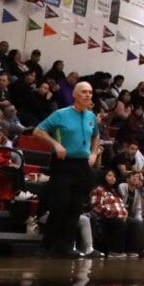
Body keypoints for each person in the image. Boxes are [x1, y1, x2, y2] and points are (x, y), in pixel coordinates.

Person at [35, 81, 101, 257]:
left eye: (90, 92)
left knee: (76, 207)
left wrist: (94, 154)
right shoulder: (61, 114)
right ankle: (47, 245)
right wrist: (56, 144)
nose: (88, 95)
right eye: (84, 92)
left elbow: (96, 136)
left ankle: (66, 246)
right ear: (75, 95)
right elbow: (38, 131)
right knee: (60, 204)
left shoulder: (91, 117)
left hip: (82, 166)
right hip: (63, 164)